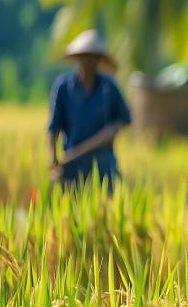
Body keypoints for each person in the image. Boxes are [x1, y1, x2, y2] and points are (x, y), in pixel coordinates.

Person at [48, 30, 131, 190]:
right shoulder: (63, 88)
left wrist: (112, 130)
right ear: (78, 58)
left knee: (105, 205)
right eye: (85, 57)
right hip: (72, 160)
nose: (89, 62)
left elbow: (124, 118)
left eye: (93, 57)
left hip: (103, 164)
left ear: (99, 60)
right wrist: (53, 157)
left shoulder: (108, 88)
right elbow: (53, 127)